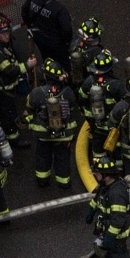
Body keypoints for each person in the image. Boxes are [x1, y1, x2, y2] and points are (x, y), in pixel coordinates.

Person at [24, 62, 78, 190]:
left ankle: (42, 181)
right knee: (63, 159)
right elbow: (72, 108)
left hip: (43, 134)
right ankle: (64, 183)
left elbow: (29, 108)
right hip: (64, 135)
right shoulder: (68, 92)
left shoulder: (36, 93)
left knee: (42, 157)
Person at [88, 152, 130, 258]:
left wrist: (110, 236)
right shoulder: (106, 185)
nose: (95, 175)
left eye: (97, 173)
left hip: (118, 232)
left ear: (106, 175)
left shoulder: (116, 194)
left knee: (117, 256)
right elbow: (98, 199)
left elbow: (118, 219)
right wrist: (91, 210)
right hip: (108, 228)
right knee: (117, 256)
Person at [22, 0, 75, 68]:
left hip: (39, 38)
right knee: (65, 64)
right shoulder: (60, 9)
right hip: (56, 43)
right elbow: (67, 30)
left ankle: (49, 72)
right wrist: (67, 43)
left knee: (47, 59)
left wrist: (30, 26)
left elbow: (24, 11)